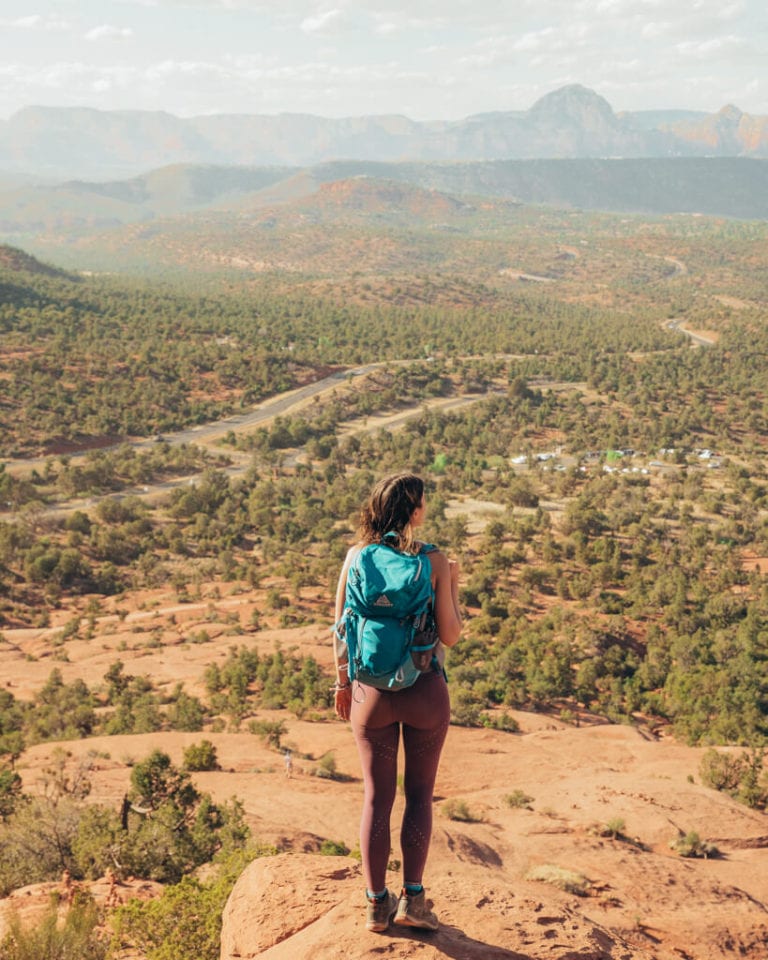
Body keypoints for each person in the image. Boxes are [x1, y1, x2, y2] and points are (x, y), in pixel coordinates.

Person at [333, 471, 462, 933]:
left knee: (376, 797)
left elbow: (340, 631)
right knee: (420, 796)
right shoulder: (435, 561)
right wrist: (452, 586)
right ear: (414, 510)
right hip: (424, 691)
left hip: (371, 695)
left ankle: (374, 905)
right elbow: (450, 634)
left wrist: (343, 686)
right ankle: (413, 900)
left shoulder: (356, 556)